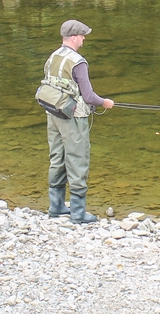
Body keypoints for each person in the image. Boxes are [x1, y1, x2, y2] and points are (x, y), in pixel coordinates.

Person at [43, 19, 113, 224]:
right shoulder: (78, 62)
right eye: (82, 35)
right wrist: (105, 102)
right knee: (77, 159)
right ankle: (78, 213)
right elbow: (89, 97)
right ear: (73, 37)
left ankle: (56, 207)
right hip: (73, 117)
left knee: (57, 158)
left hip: (53, 113)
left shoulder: (53, 56)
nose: (84, 39)